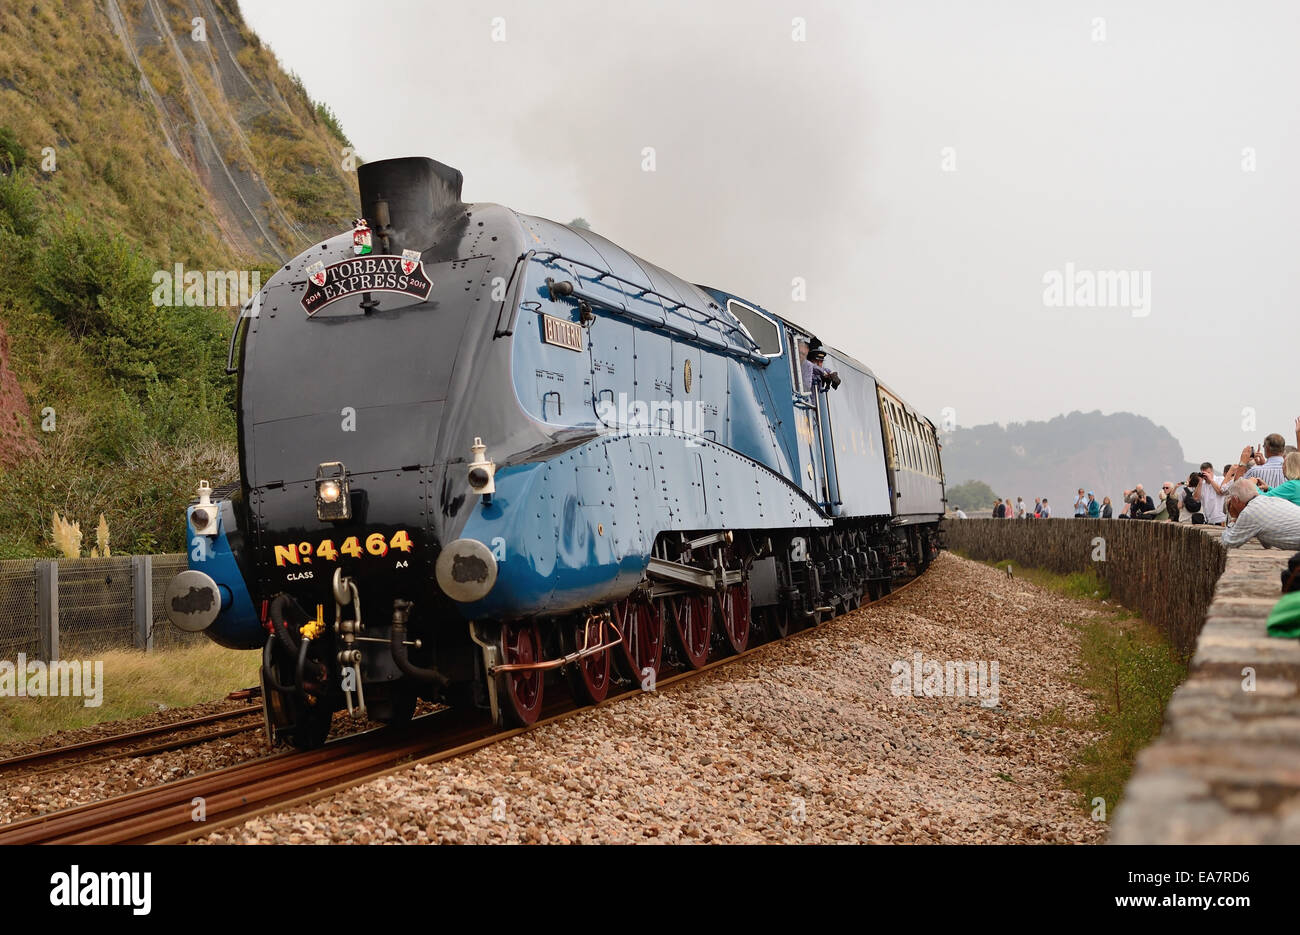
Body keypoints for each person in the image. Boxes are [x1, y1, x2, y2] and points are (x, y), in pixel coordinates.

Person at [1221, 479, 1300, 550]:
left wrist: (1233, 518)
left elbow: (1228, 543)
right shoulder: (1272, 500)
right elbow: (1267, 544)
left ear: (1235, 499)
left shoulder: (1250, 511)